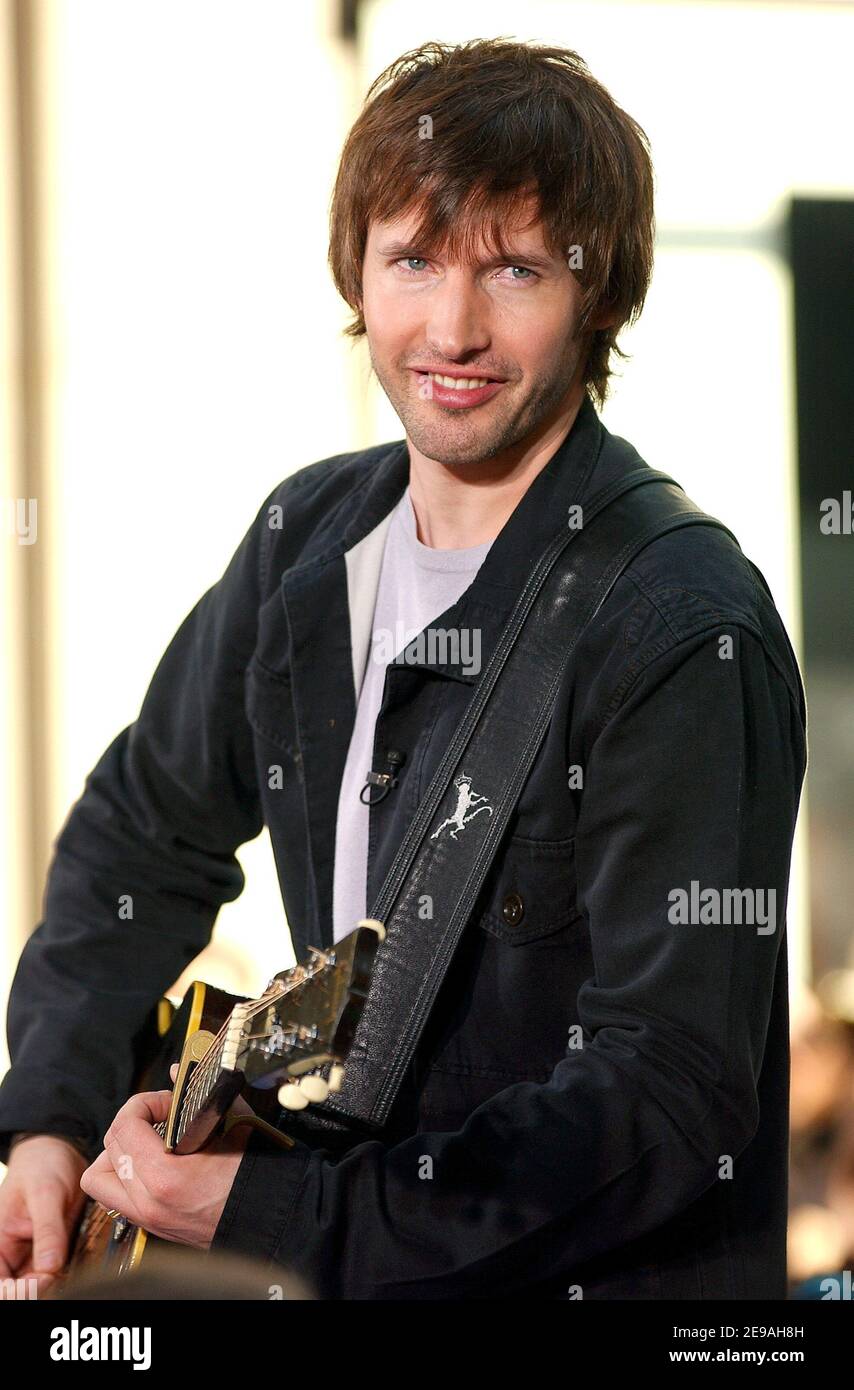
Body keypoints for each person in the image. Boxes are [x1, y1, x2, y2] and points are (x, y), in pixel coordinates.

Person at [0, 38, 806, 1300]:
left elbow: (663, 1092)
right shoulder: (304, 547)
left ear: (599, 296)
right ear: (356, 273)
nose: (451, 327)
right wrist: (44, 1121)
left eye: (515, 269)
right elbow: (137, 834)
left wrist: (277, 1212)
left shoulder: (680, 626)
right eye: (413, 259)